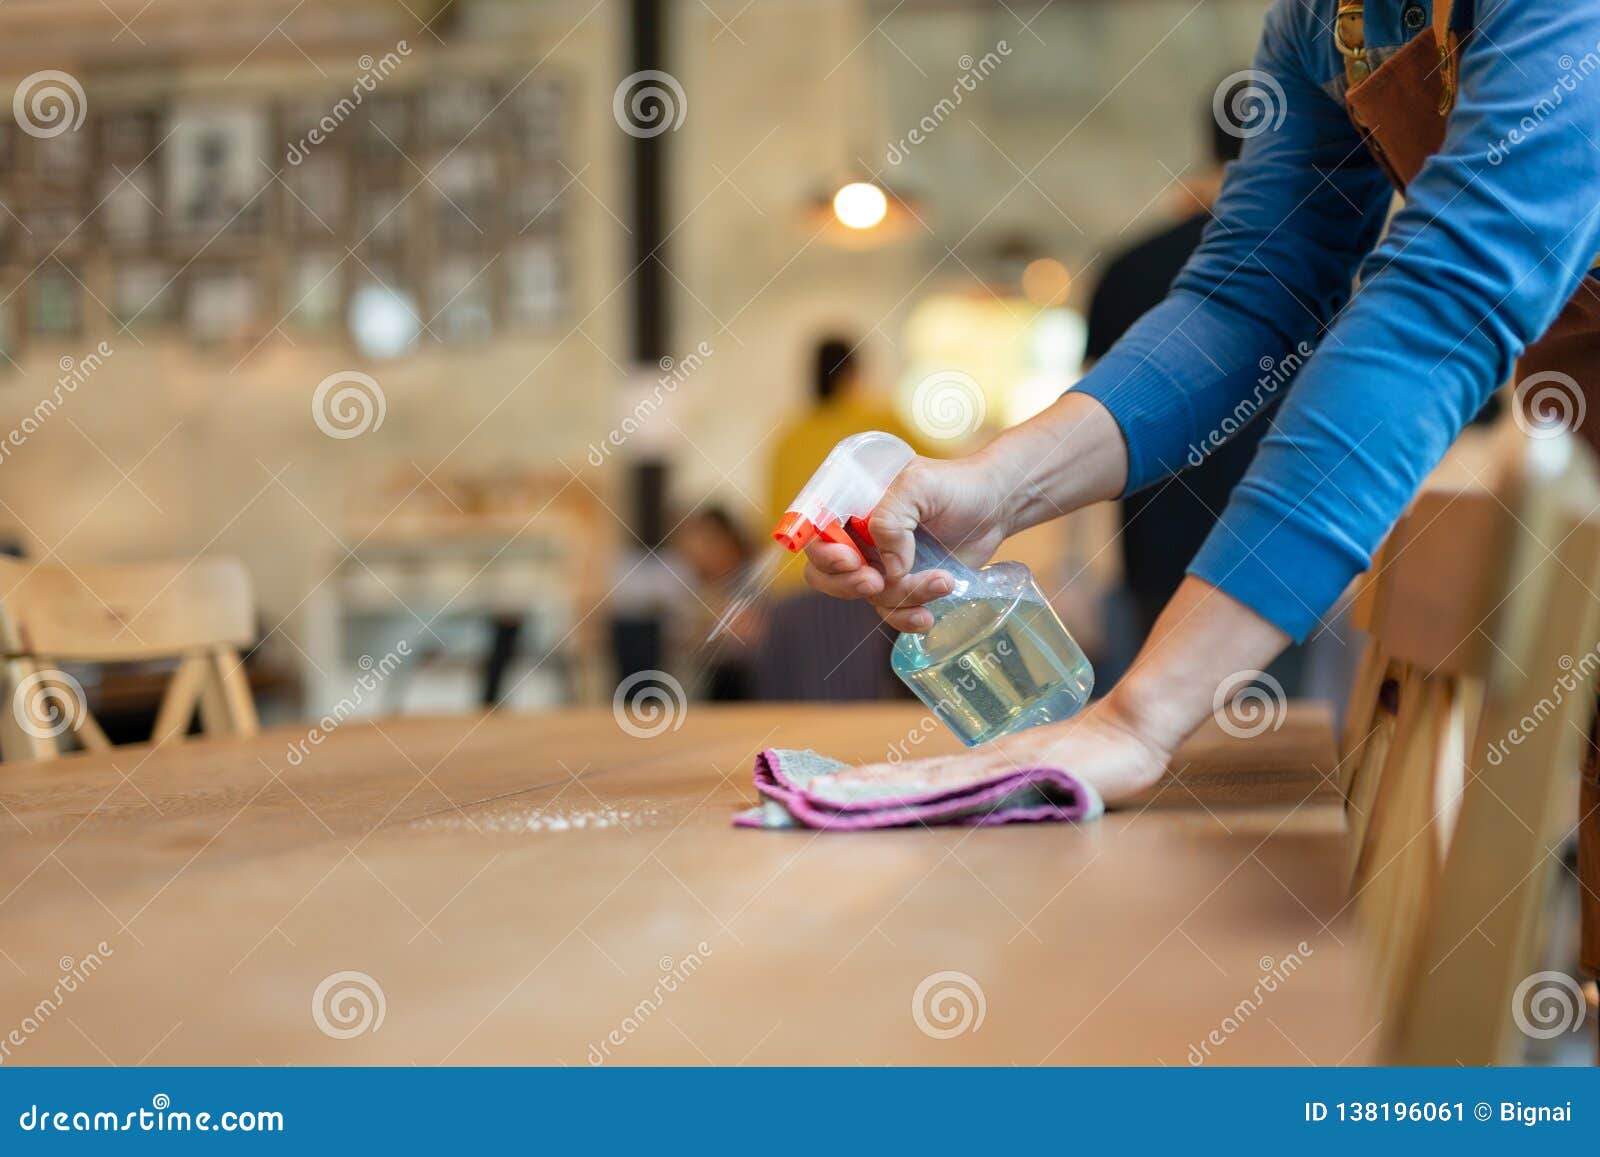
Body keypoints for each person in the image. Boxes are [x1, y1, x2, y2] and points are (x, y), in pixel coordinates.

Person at [801, 0, 1600, 803]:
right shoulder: (1322, 21)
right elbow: (1247, 296)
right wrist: (995, 487)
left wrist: (1138, 718)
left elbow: (1438, 304)